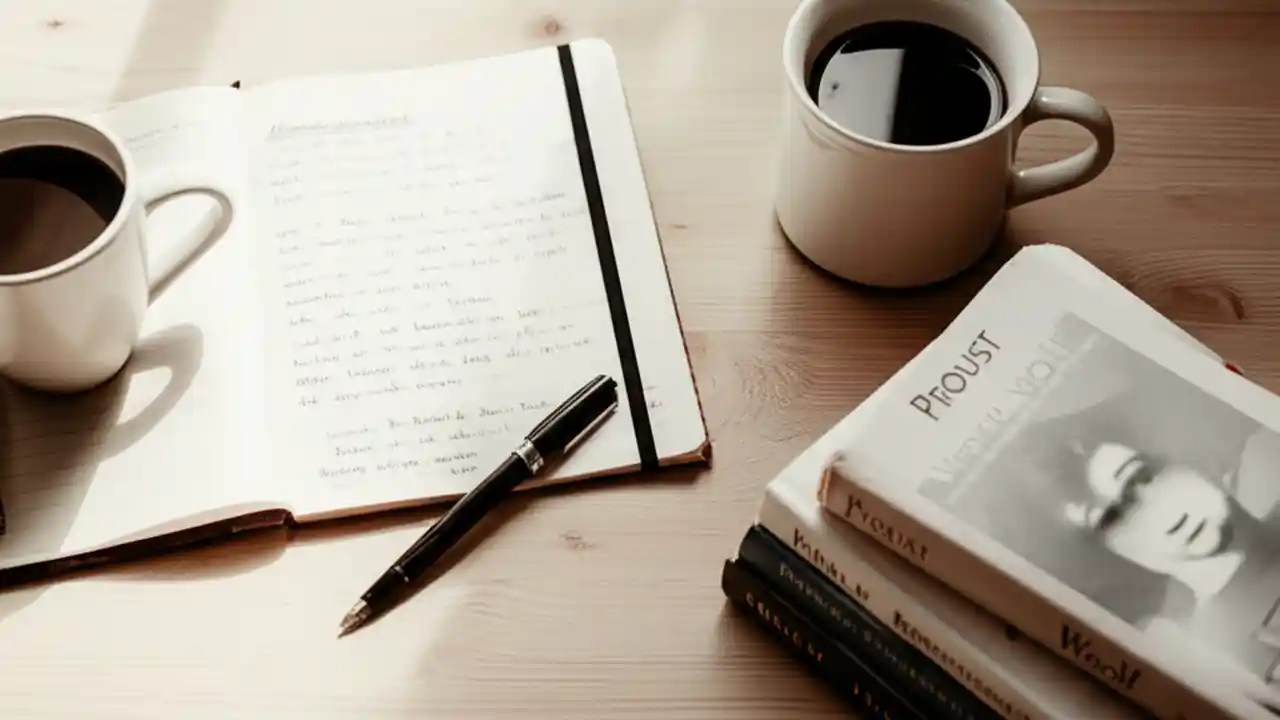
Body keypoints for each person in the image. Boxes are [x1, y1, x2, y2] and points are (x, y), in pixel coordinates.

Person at [1065, 429, 1280, 704]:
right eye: (1112, 516)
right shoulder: (1214, 665)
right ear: (1113, 550)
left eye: (1142, 475)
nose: (1154, 510)